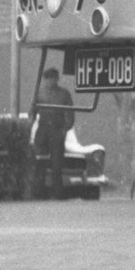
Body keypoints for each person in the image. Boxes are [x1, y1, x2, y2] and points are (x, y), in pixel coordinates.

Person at [31, 67, 75, 199]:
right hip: (43, 130)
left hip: (57, 130)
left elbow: (70, 114)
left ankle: (57, 194)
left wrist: (64, 129)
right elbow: (33, 112)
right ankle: (38, 193)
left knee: (56, 164)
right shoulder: (39, 94)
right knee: (39, 163)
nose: (50, 81)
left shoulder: (64, 94)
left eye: (52, 78)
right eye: (47, 78)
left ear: (57, 79)